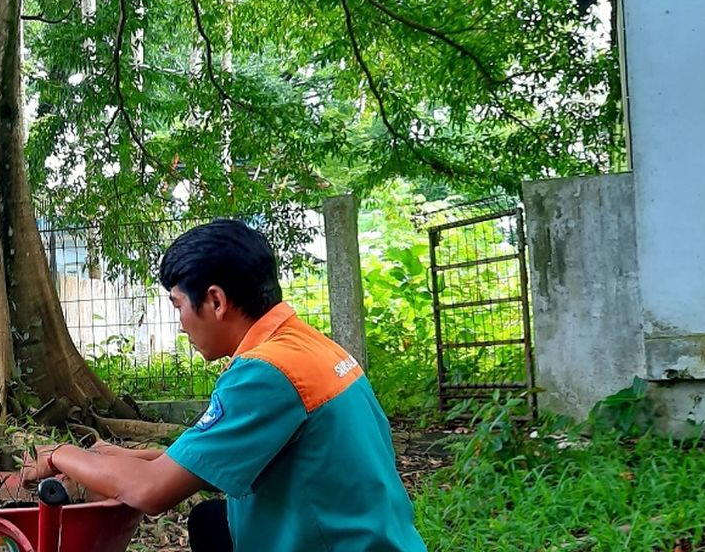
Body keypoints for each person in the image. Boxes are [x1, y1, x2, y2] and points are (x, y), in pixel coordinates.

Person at [22, 219, 425, 552]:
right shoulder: (304, 345)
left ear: (215, 301)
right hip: (379, 537)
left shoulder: (265, 373)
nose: (181, 324)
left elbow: (151, 491)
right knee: (210, 521)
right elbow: (209, 466)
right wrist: (122, 457)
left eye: (178, 305)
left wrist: (59, 454)